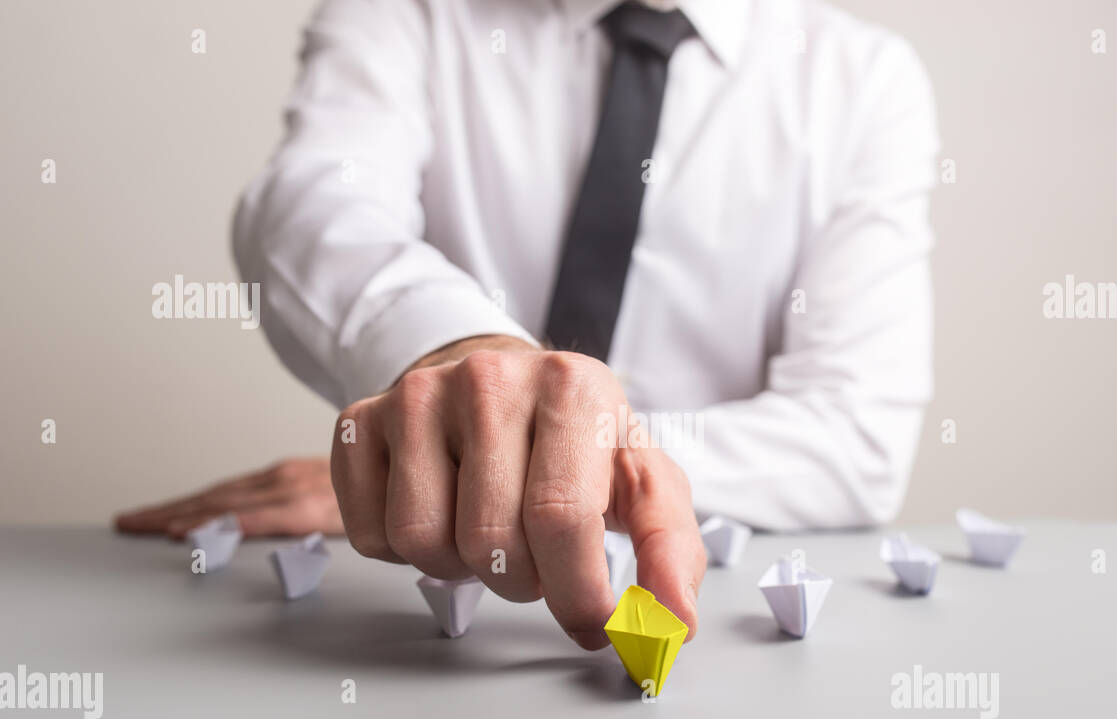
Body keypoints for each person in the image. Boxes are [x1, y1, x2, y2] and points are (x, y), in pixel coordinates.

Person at [117, 0, 938, 650]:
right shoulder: (411, 12)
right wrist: (460, 353)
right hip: (420, 605)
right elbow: (304, 204)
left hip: (714, 608)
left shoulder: (864, 79)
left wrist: (487, 464)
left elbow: (853, 436)